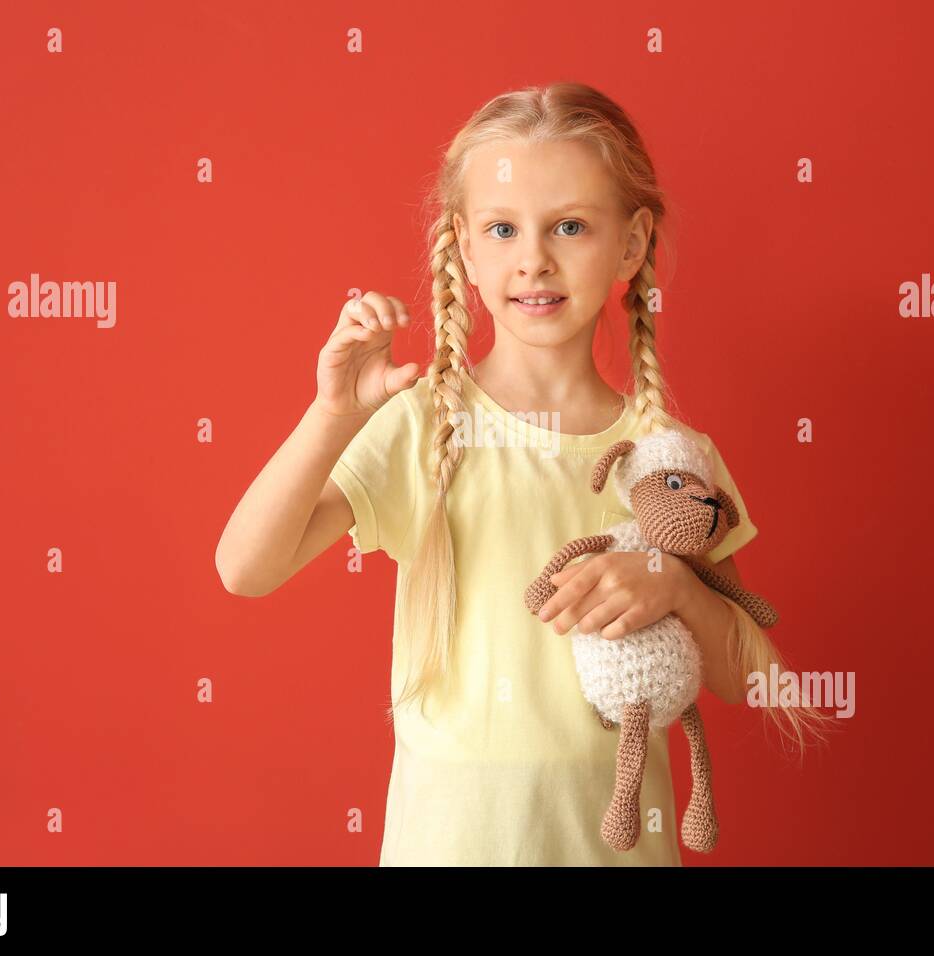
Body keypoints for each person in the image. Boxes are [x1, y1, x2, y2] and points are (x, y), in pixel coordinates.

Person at [215, 82, 835, 866]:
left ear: (632, 244)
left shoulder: (671, 458)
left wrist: (675, 587)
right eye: (503, 229)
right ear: (466, 250)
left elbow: (759, 681)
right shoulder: (425, 424)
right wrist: (334, 411)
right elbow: (245, 567)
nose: (534, 259)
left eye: (570, 226)